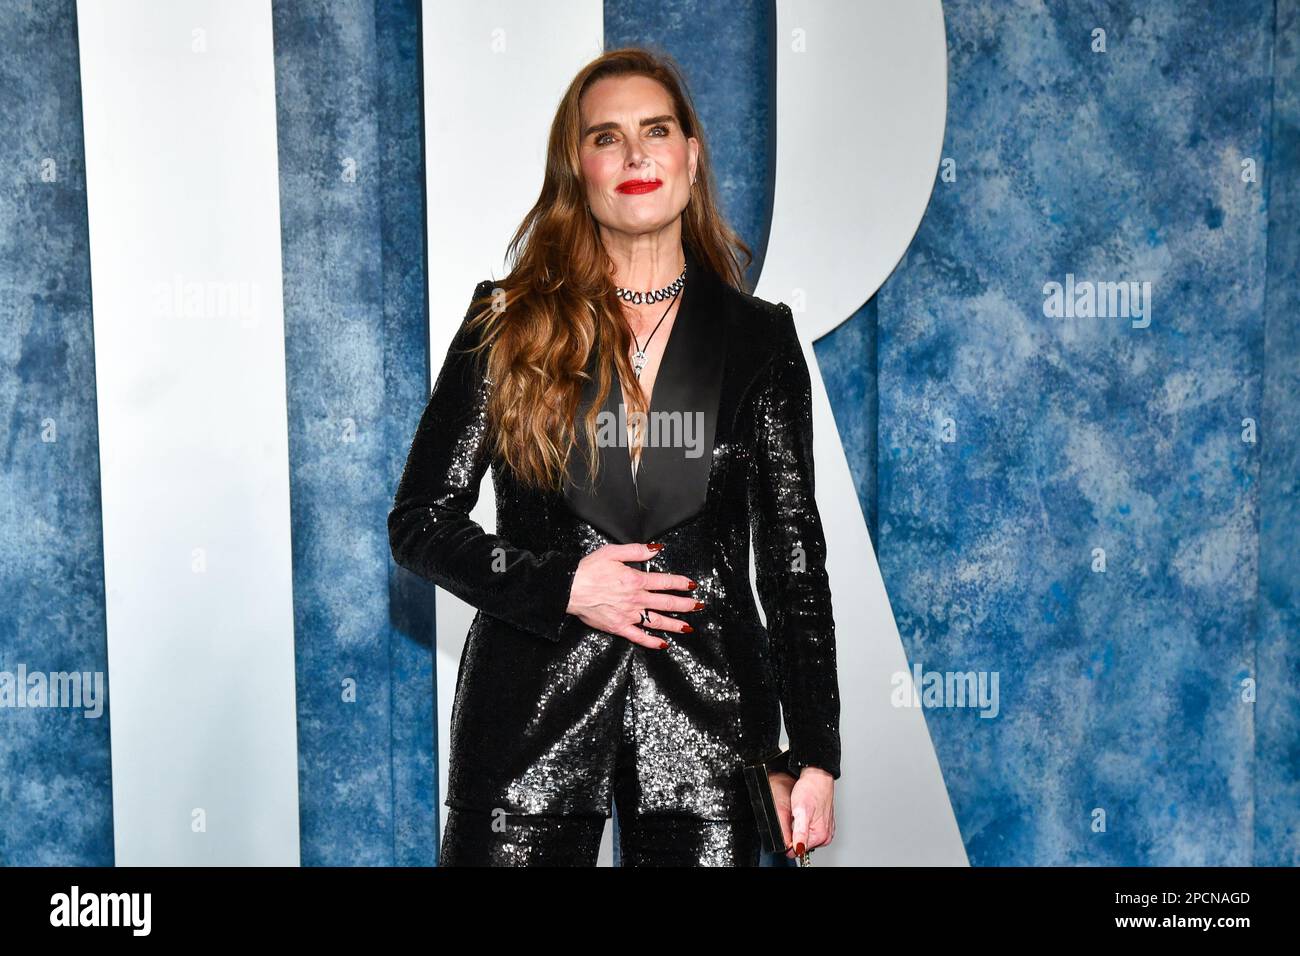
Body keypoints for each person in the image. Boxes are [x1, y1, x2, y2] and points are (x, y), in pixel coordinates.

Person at [388, 47, 840, 867]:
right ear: (578, 167)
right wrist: (562, 587)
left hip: (710, 729)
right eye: (607, 137)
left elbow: (793, 563)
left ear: (690, 157)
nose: (635, 155)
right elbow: (420, 522)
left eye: (656, 131)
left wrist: (811, 753)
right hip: (529, 716)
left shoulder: (758, 337)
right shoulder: (506, 323)